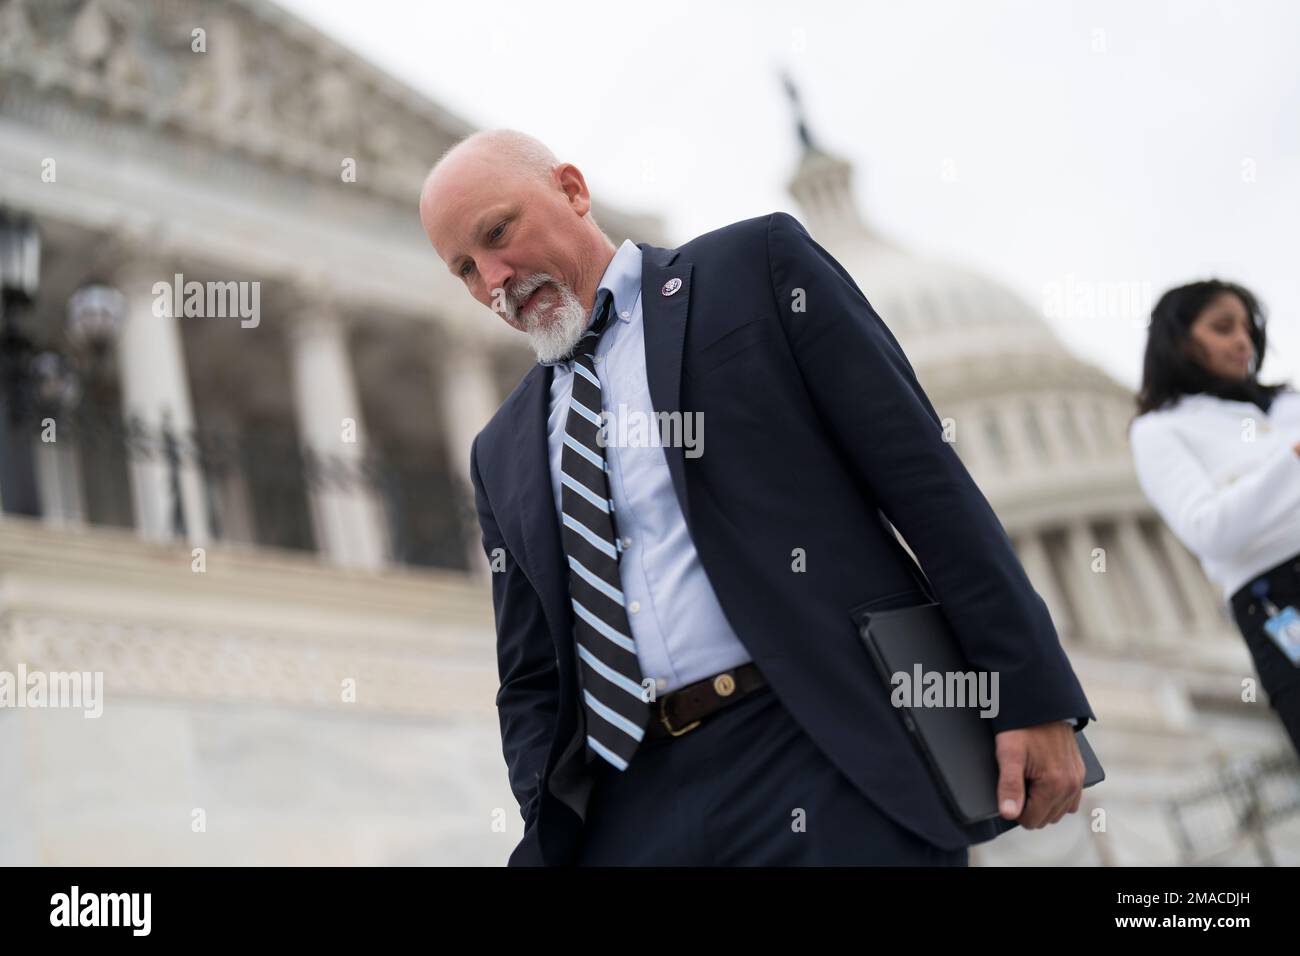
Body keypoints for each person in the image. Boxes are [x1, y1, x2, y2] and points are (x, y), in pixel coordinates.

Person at [418, 128, 1094, 866]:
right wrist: (546, 831)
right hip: (633, 814)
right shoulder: (500, 449)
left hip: (819, 752)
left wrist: (1028, 694)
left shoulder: (753, 271)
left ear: (573, 191)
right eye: (464, 269)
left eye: (498, 233)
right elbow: (530, 675)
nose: (495, 279)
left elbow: (926, 486)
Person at [1128, 280, 1300, 757]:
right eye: (1223, 327)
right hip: (1280, 601)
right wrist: (1292, 460)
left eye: (1248, 327)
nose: (1243, 340)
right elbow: (1210, 530)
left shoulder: (1288, 406)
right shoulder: (1161, 430)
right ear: (1180, 341)